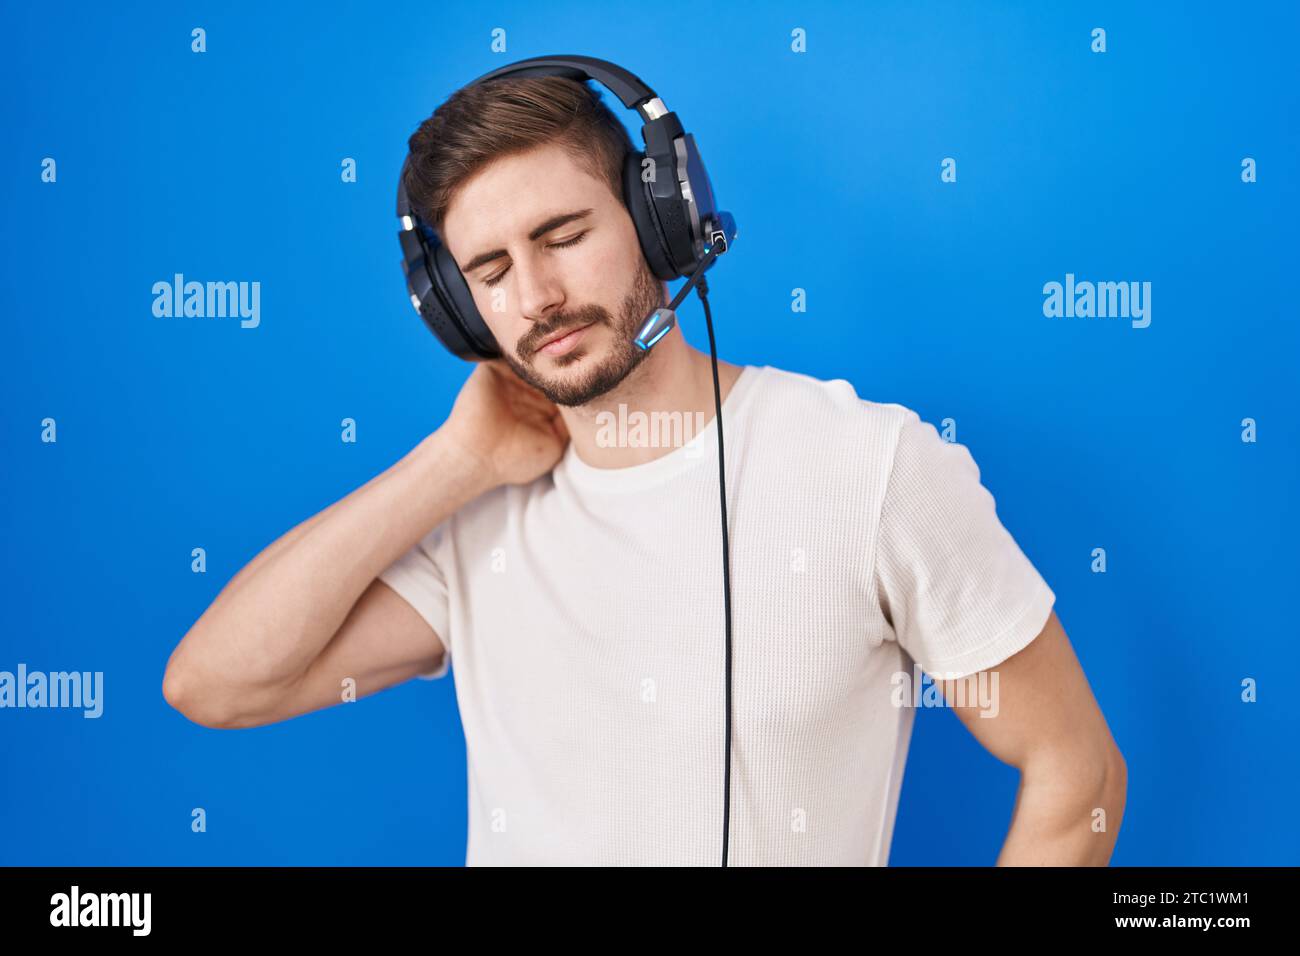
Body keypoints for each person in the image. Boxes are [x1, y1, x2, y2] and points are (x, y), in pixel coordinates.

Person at [162, 74, 1126, 866]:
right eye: (490, 273)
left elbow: (1075, 769)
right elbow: (217, 685)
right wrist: (450, 462)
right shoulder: (479, 520)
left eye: (564, 236)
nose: (536, 296)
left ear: (659, 219)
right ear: (458, 312)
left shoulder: (870, 465)